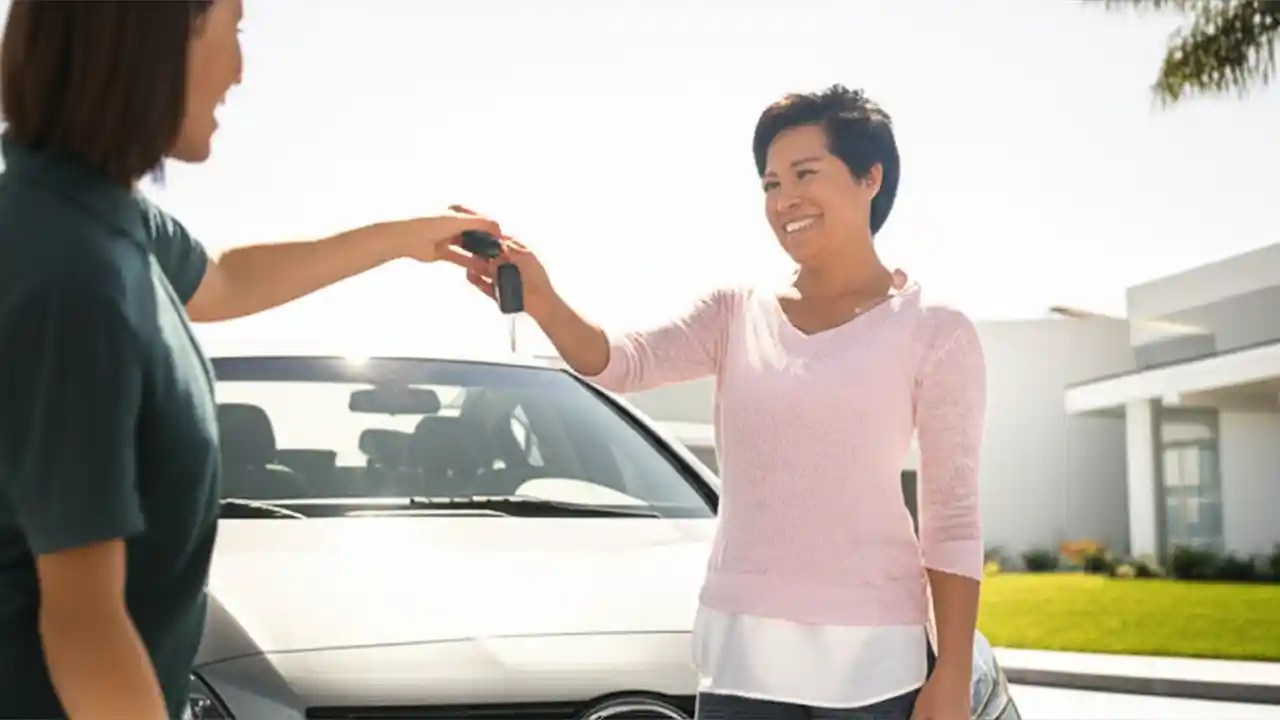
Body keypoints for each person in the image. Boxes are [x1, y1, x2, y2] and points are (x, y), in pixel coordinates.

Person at [0, 2, 499, 718]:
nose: (238, 71)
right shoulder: (69, 274)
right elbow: (82, 622)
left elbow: (224, 279)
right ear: (155, 37)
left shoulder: (102, 218)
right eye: (233, 29)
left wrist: (406, 237)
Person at [465, 85, 986, 720]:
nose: (784, 198)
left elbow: (951, 516)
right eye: (770, 184)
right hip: (742, 660)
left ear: (870, 176)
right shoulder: (734, 314)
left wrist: (953, 671)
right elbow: (620, 362)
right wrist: (542, 298)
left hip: (874, 667)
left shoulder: (935, 329)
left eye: (805, 173)